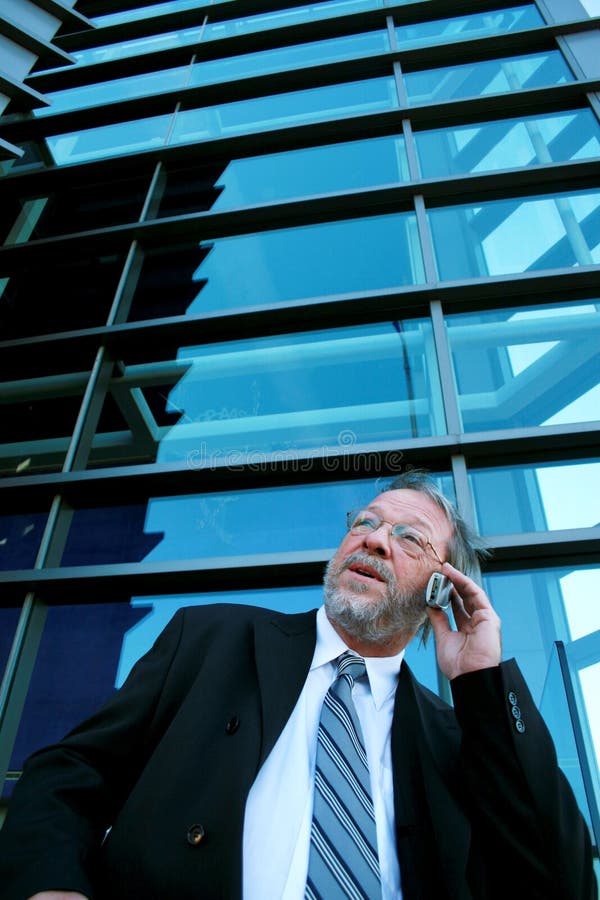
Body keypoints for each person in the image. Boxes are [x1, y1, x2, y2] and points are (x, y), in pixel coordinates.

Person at [0, 471, 596, 900]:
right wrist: (52, 887)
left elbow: (558, 878)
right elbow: (68, 775)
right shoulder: (212, 640)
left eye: (410, 537)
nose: (376, 539)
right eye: (365, 522)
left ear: (442, 589)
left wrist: (482, 683)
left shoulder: (455, 738)